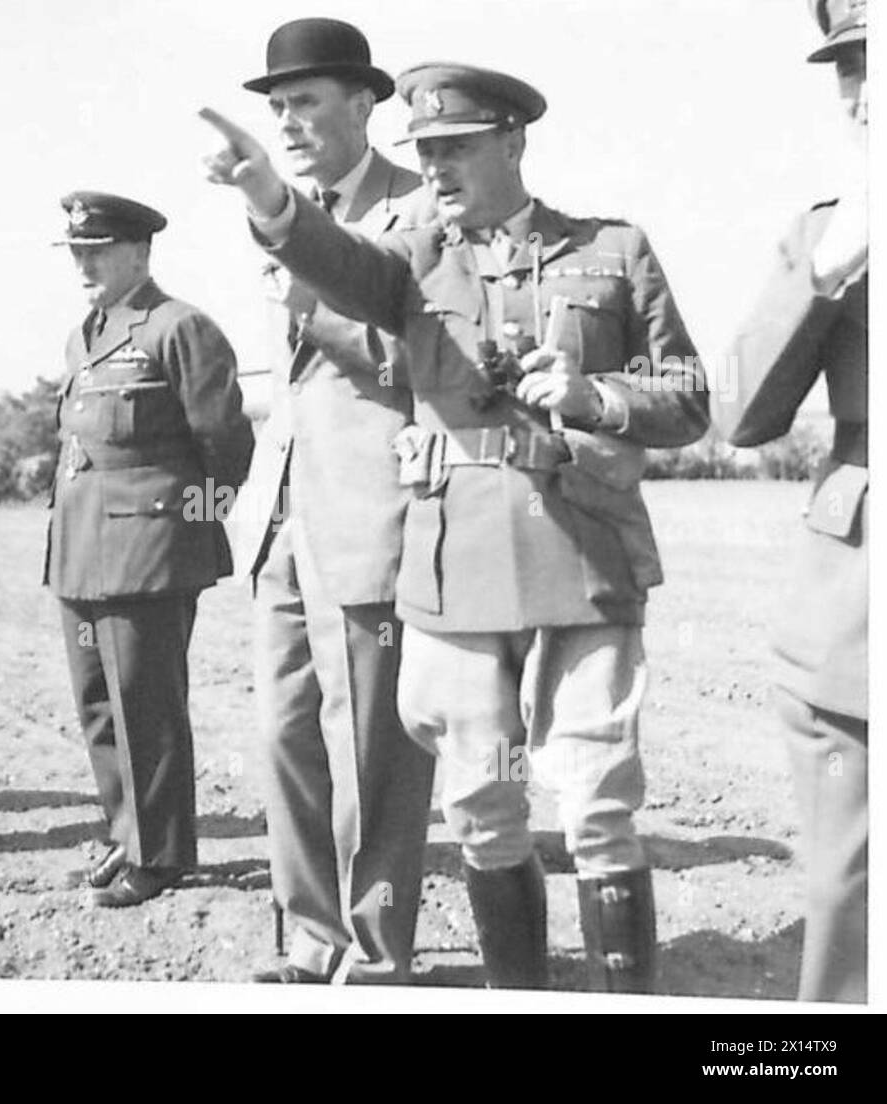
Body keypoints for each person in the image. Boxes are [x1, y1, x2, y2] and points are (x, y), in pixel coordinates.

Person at [202, 60, 710, 991]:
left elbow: (688, 400)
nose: (435, 168)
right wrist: (269, 196)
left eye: (456, 148)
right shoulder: (414, 257)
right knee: (483, 799)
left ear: (512, 143)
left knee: (596, 802)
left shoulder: (614, 249)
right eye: (424, 151)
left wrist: (593, 396)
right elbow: (336, 260)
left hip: (581, 555)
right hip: (460, 570)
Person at [227, 18, 434, 984]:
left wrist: (310, 297)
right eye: (277, 108)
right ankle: (312, 936)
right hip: (284, 514)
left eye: (307, 102)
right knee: (284, 734)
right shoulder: (286, 211)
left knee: (375, 749)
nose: (289, 122)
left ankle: (378, 950)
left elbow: (415, 360)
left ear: (364, 104)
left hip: (371, 510)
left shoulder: (418, 211)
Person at [714, 0, 867, 1003]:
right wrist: (835, 261)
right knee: (851, 905)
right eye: (851, 69)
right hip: (858, 629)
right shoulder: (827, 234)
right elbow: (740, 415)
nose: (863, 92)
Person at [45, 191, 253, 907]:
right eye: (77, 252)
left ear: (138, 252)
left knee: (146, 704)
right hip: (80, 546)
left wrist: (189, 531)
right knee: (99, 703)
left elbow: (225, 442)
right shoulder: (84, 336)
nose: (84, 265)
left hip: (151, 550)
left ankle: (161, 856)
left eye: (97, 251)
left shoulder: (178, 327)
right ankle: (127, 835)